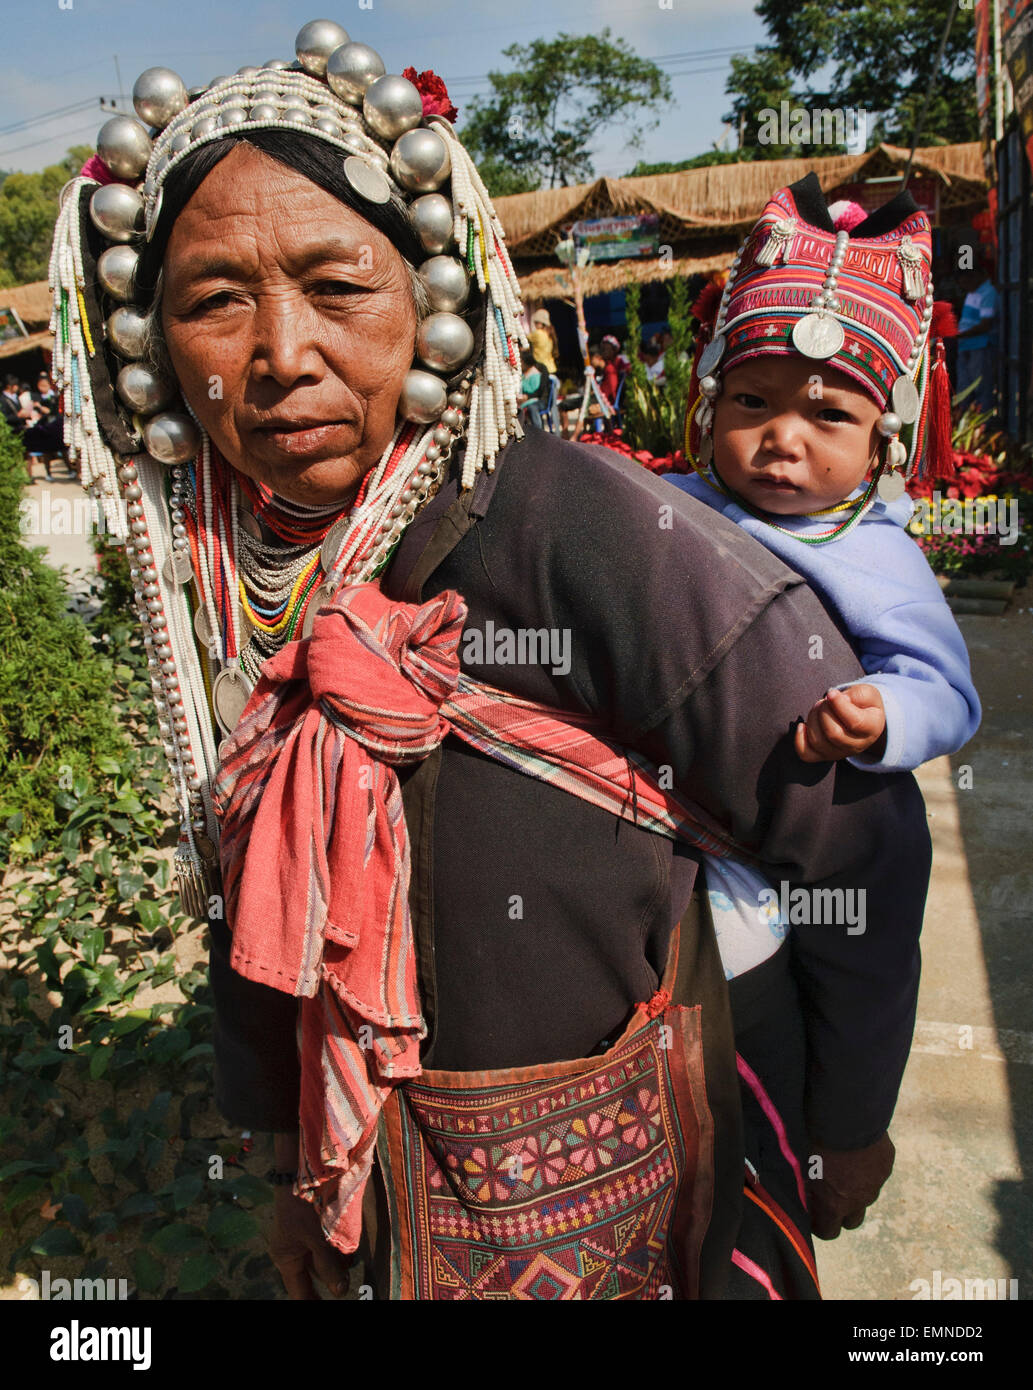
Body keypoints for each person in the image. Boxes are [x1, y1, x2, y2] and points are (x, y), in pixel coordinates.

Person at [52, 23, 931, 1301]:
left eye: (337, 284)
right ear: (154, 348)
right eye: (214, 300)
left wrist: (847, 1114)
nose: (282, 352)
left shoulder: (578, 524)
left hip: (667, 1184)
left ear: (432, 294)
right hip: (397, 1199)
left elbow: (852, 830)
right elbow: (253, 901)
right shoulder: (217, 589)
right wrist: (289, 1158)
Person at [665, 176, 980, 982]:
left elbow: (944, 692)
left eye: (828, 414)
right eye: (749, 400)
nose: (781, 438)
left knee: (850, 1017)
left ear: (885, 440)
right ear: (708, 405)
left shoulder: (880, 555)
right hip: (689, 821)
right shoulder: (669, 510)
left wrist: (884, 712)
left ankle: (847, 1116)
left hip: (836, 834)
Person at [955, 264, 998, 413]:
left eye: (966, 282)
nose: (964, 286)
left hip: (980, 346)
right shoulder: (971, 293)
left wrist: (958, 335)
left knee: (981, 387)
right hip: (965, 346)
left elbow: (985, 325)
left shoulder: (988, 293)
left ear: (975, 276)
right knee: (964, 387)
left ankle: (982, 424)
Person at [528, 307, 558, 375]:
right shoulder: (549, 334)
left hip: (542, 369)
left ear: (541, 323)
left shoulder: (538, 333)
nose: (535, 325)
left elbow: (525, 337)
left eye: (536, 322)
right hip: (551, 368)